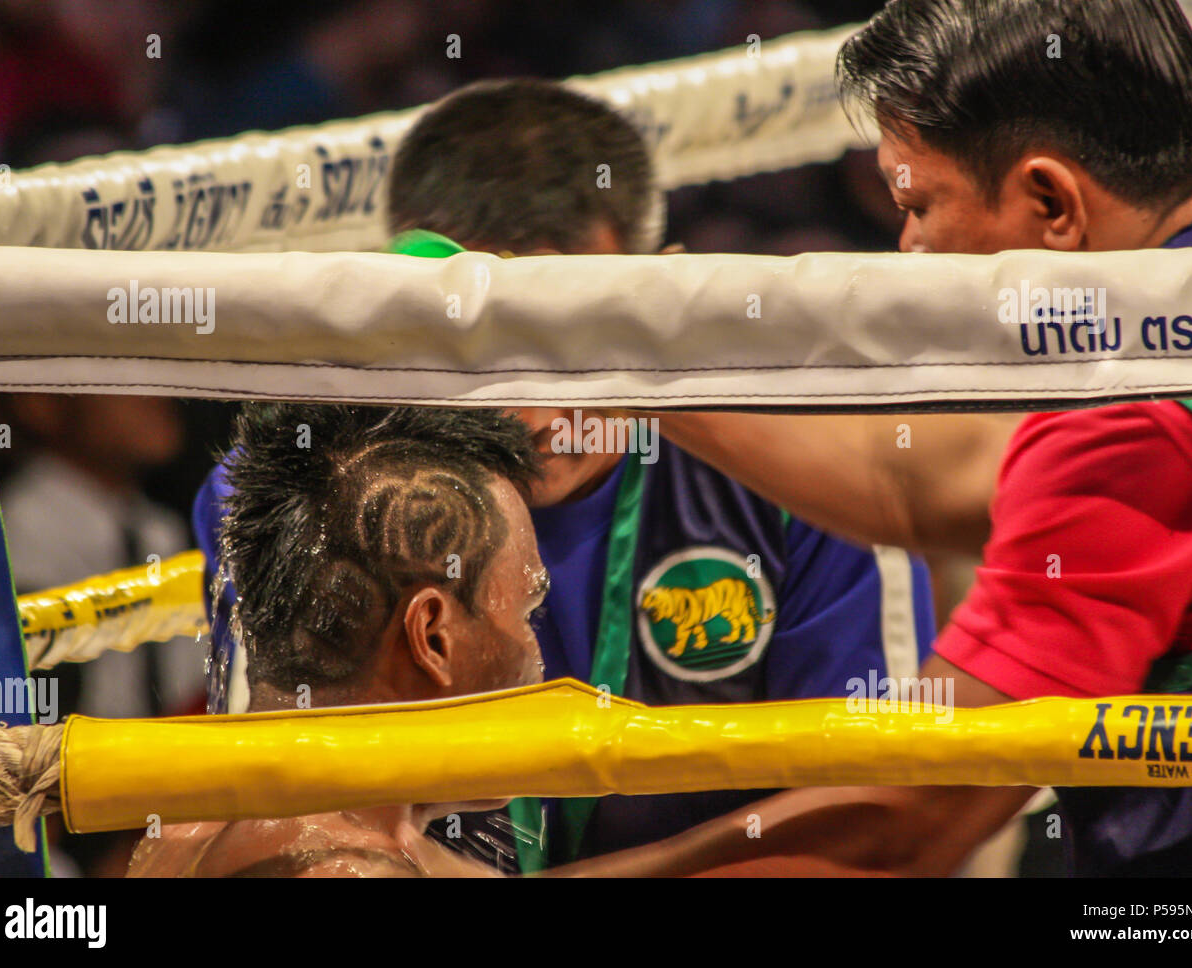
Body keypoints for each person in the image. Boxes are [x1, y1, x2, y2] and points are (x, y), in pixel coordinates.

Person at [566, 0, 1192, 876]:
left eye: (920, 204)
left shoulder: (1134, 430)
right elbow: (928, 484)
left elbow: (917, 815)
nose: (907, 250)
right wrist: (650, 371)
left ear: (1052, 201)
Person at [193, 78, 940, 874]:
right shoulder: (301, 480)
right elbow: (287, 831)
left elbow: (883, 821)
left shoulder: (806, 472)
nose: (538, 412)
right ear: (402, 309)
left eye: (576, 337)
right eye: (483, 347)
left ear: (660, 292)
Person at [130, 402, 546, 877]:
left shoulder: (187, 827)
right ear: (432, 638)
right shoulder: (344, 868)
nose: (537, 654)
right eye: (528, 612)